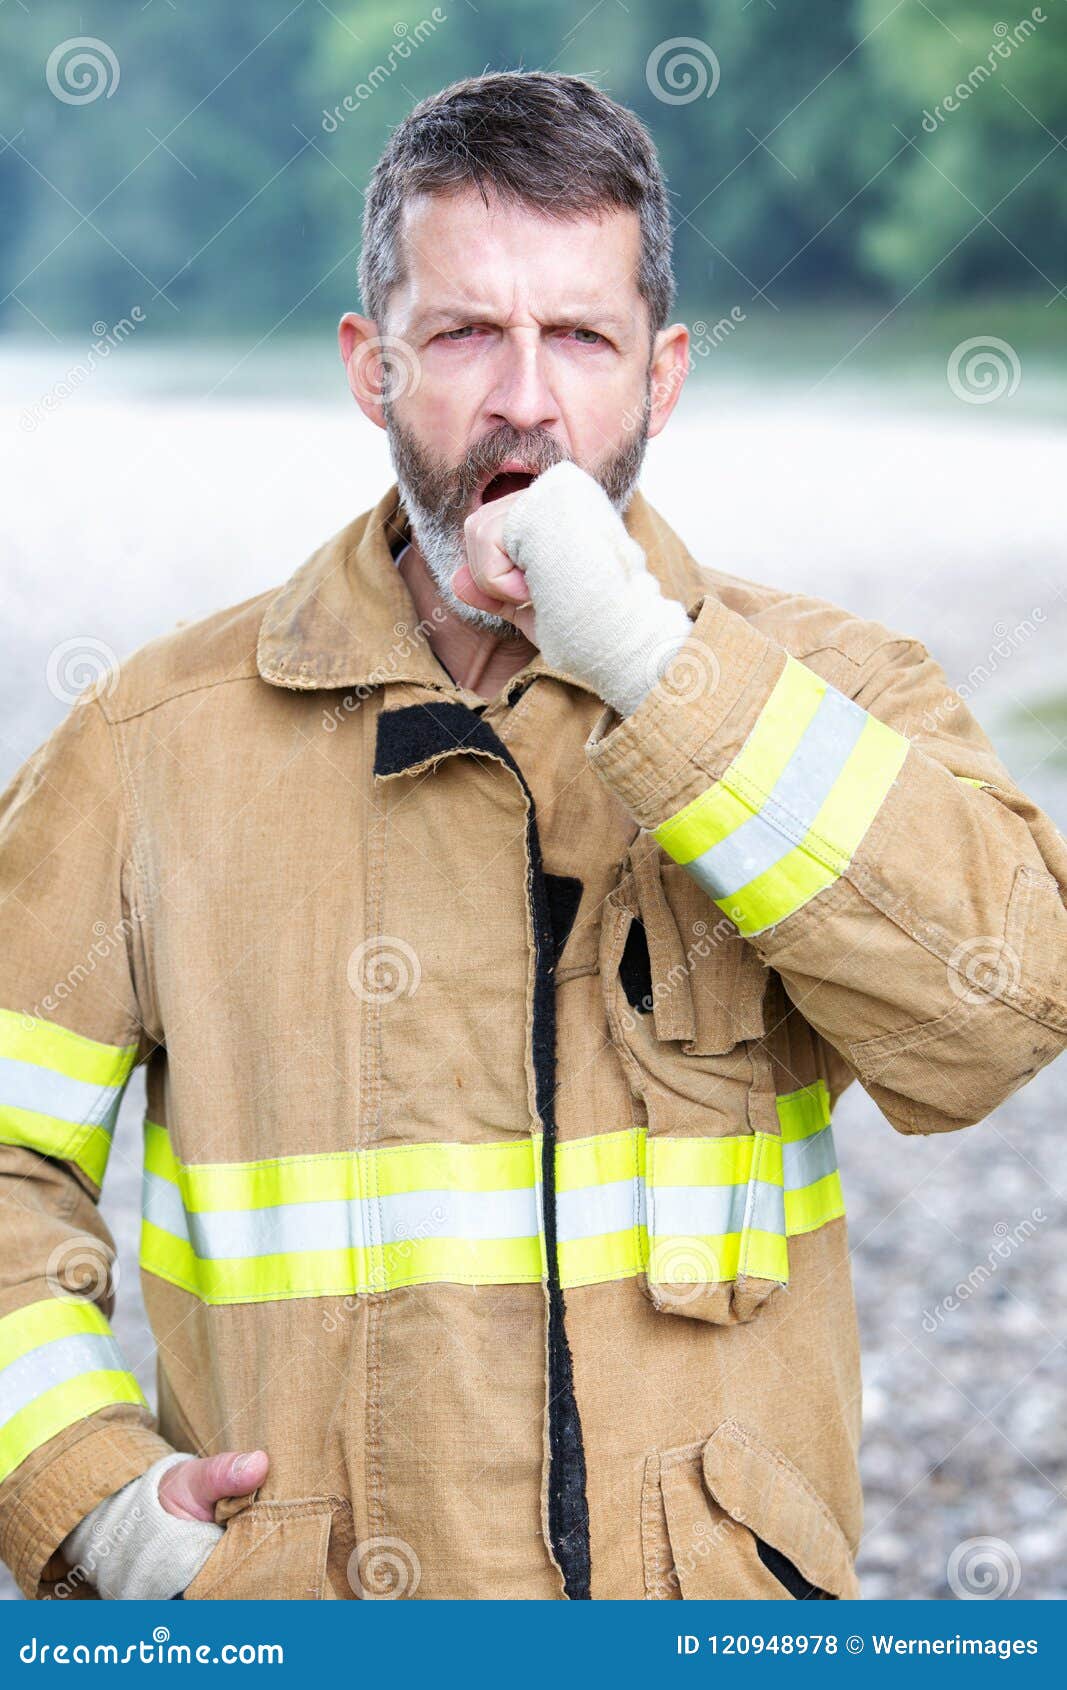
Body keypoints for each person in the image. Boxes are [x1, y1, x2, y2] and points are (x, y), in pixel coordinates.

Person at [1, 69, 1065, 1603]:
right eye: (462, 335)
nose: (526, 400)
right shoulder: (146, 748)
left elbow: (1000, 1015)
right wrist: (92, 1495)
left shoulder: (832, 693)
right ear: (370, 366)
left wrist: (655, 667)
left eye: (580, 337)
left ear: (666, 373)